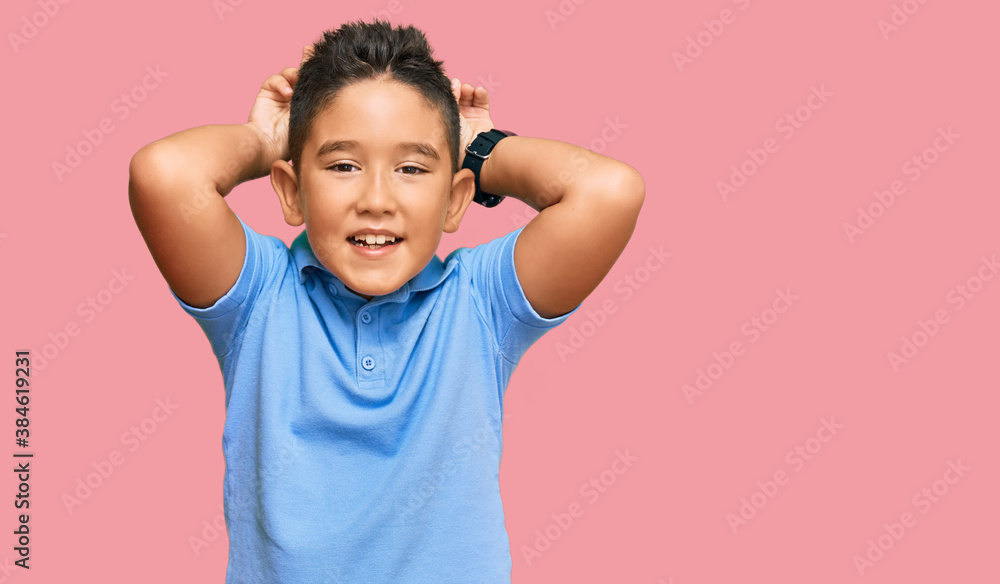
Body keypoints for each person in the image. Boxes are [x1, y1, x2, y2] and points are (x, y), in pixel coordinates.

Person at [128, 18, 644, 583]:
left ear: (456, 200)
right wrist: (266, 140)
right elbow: (164, 175)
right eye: (343, 165)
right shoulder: (258, 297)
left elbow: (608, 191)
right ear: (293, 191)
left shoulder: (479, 303)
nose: (377, 199)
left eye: (412, 168)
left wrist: (479, 150)